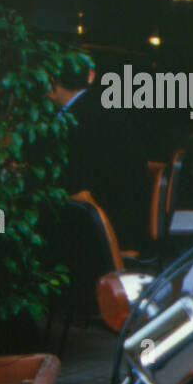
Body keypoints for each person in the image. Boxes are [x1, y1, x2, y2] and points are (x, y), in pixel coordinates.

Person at [50, 60, 151, 251]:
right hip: (128, 219)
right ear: (90, 76)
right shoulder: (103, 106)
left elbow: (70, 182)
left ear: (51, 81)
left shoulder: (74, 120)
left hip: (102, 229)